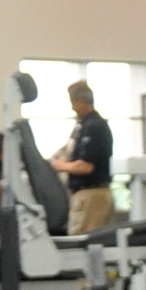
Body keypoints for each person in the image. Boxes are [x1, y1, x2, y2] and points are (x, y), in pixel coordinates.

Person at [47, 81, 114, 234]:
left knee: (82, 244)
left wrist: (57, 166)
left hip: (91, 197)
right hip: (87, 196)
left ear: (82, 101)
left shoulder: (94, 127)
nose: (72, 107)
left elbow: (85, 166)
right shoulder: (83, 126)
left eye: (73, 102)